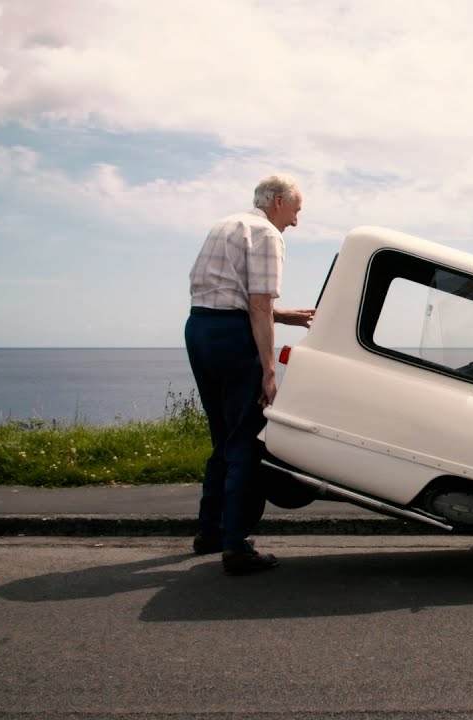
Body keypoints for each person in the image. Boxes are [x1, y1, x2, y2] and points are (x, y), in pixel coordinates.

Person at [184, 174, 315, 575]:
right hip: (233, 339)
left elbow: (226, 297)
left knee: (222, 436)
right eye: (295, 210)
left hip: (200, 329)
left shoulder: (225, 225)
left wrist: (286, 315)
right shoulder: (268, 235)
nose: (295, 221)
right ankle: (235, 546)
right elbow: (256, 306)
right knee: (245, 440)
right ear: (278, 201)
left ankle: (210, 530)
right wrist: (270, 369)